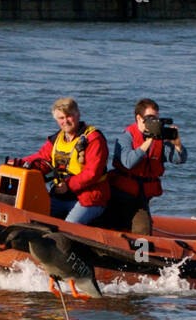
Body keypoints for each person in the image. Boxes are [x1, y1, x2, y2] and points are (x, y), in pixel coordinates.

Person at [17, 97, 110, 225]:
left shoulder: (94, 139)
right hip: (61, 195)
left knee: (69, 225)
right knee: (34, 216)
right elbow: (42, 159)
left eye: (69, 116)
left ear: (77, 115)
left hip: (89, 198)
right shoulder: (57, 138)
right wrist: (18, 163)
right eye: (61, 118)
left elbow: (92, 173)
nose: (65, 121)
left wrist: (68, 185)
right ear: (56, 119)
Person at [108, 98, 187, 235]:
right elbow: (128, 162)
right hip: (119, 193)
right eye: (150, 118)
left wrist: (177, 145)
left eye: (156, 119)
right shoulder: (126, 137)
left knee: (143, 229)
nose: (154, 122)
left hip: (141, 197)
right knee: (110, 223)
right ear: (139, 118)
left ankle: (141, 257)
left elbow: (178, 159)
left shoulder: (159, 140)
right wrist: (148, 141)